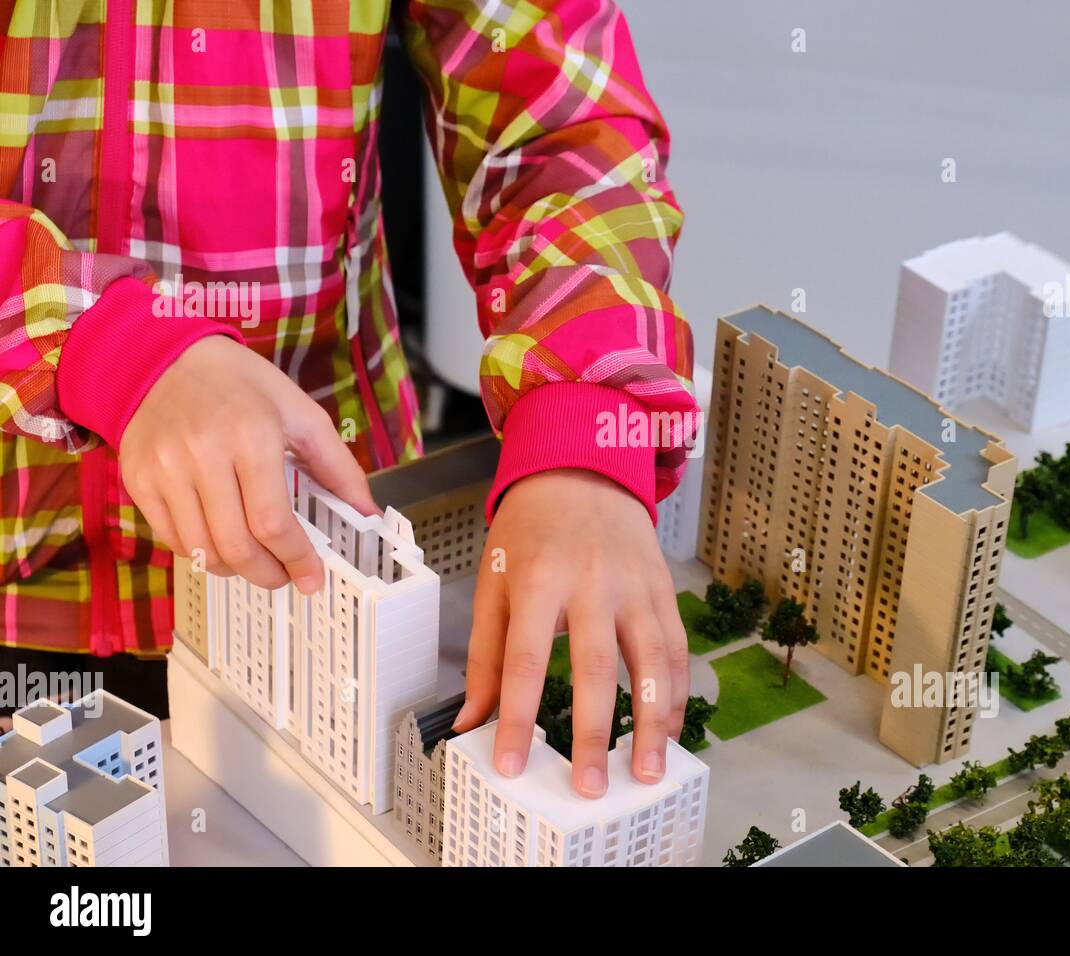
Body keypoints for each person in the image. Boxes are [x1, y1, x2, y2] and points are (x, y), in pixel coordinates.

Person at [0, 0, 695, 800]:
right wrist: (98, 343)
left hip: (315, 563)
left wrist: (583, 406)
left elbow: (560, 119)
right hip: (23, 597)